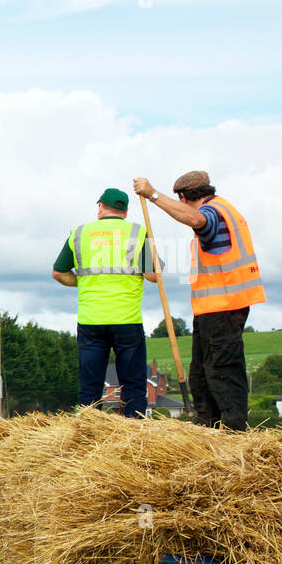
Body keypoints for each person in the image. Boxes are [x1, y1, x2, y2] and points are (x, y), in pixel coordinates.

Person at [133, 171, 264, 430]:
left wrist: (153, 195)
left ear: (184, 197)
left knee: (222, 373)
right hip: (213, 309)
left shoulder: (213, 212)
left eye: (179, 201)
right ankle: (207, 427)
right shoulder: (224, 209)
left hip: (223, 307)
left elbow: (196, 219)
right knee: (202, 374)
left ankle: (235, 432)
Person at [52, 187, 158, 417]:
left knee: (90, 386)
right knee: (133, 384)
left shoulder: (79, 233)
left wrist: (88, 282)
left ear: (100, 207)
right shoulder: (138, 232)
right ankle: (134, 432)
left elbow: (59, 273)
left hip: (91, 320)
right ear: (126, 211)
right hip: (127, 320)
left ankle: (87, 436)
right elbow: (153, 275)